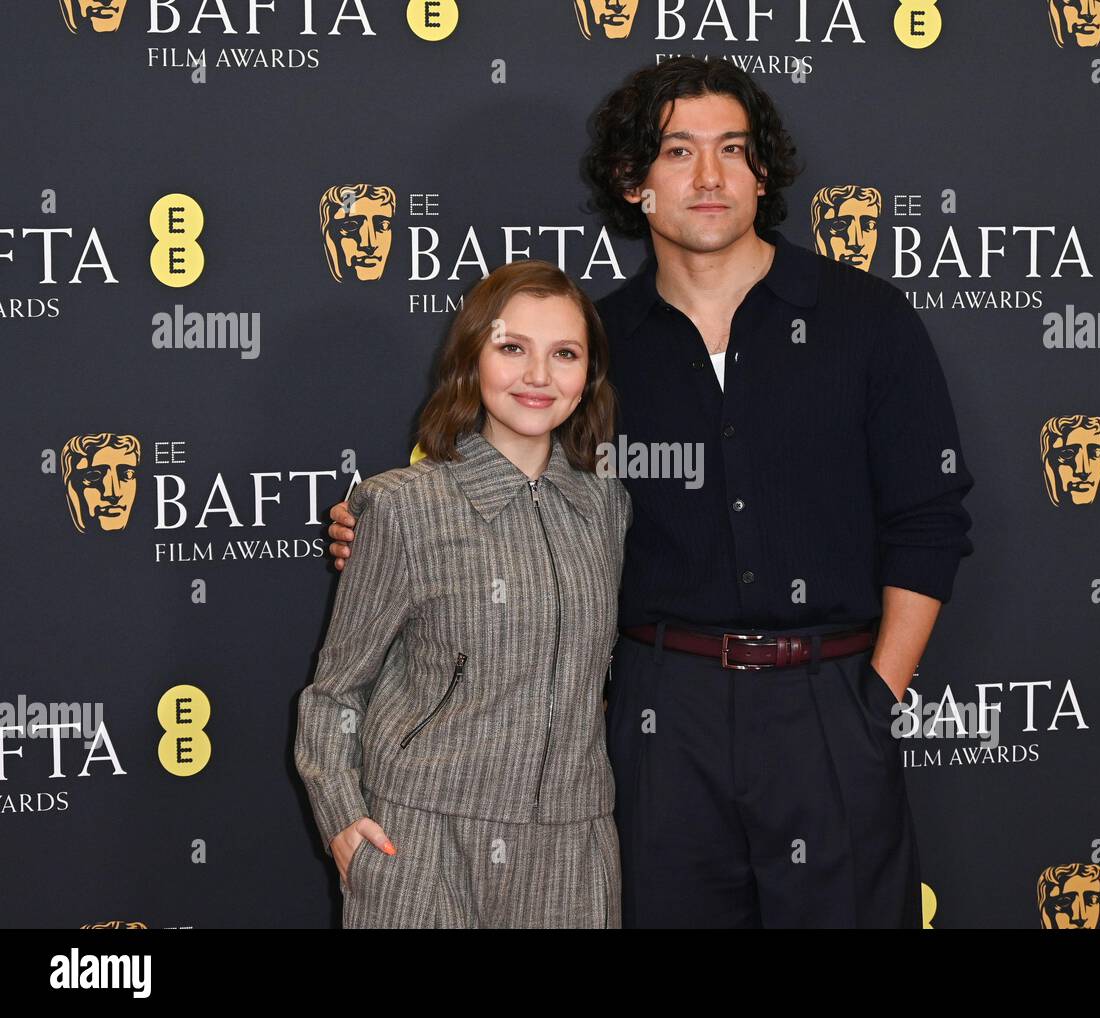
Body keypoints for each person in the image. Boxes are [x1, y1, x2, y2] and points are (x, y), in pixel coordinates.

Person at [328, 57, 975, 928]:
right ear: (635, 182)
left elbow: (928, 521)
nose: (709, 177)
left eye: (732, 151)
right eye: (678, 151)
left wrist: (873, 700)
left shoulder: (866, 319)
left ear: (761, 174)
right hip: (659, 716)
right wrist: (374, 523)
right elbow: (487, 485)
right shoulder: (590, 350)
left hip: (829, 705)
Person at [295, 259, 631, 928]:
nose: (538, 376)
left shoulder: (605, 507)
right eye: (512, 348)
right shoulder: (401, 508)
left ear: (587, 375)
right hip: (424, 844)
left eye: (564, 354)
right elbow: (336, 690)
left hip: (573, 846)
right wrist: (342, 821)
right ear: (472, 358)